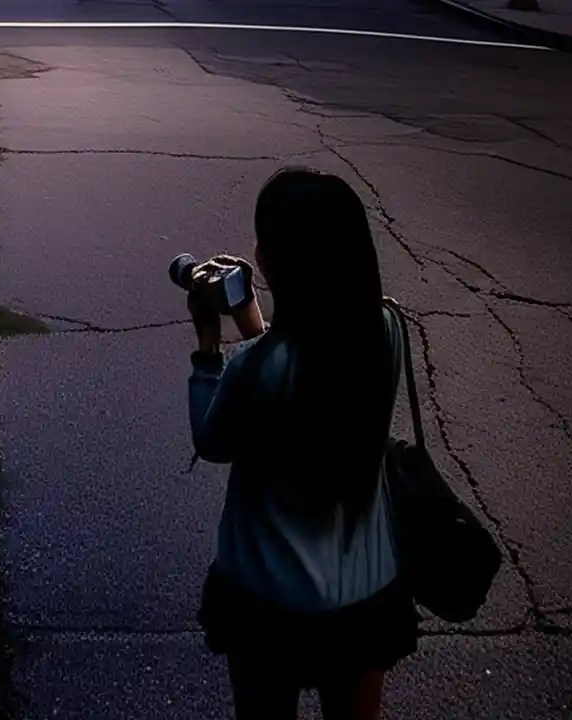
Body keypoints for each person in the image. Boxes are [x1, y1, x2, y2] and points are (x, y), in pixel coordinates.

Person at [186, 167, 420, 720]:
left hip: (266, 597)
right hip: (364, 588)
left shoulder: (254, 371)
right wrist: (251, 318)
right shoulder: (387, 330)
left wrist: (206, 341)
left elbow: (212, 442)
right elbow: (310, 376)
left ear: (269, 262)